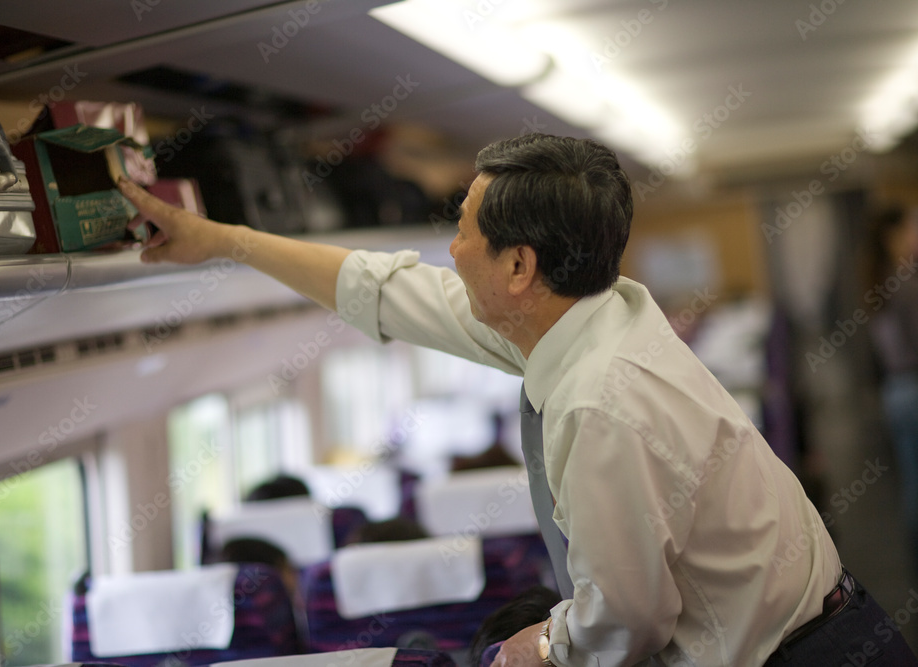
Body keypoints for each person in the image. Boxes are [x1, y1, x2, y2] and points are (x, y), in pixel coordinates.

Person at [118, 133, 918, 665]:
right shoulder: (592, 311)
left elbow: (626, 620)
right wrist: (220, 241)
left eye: (463, 227)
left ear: (518, 268)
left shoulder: (600, 400)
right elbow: (392, 291)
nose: (451, 248)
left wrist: (534, 646)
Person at [867, 204, 918, 576]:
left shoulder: (875, 278)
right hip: (911, 386)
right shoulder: (904, 284)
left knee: (910, 478)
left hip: (894, 389)